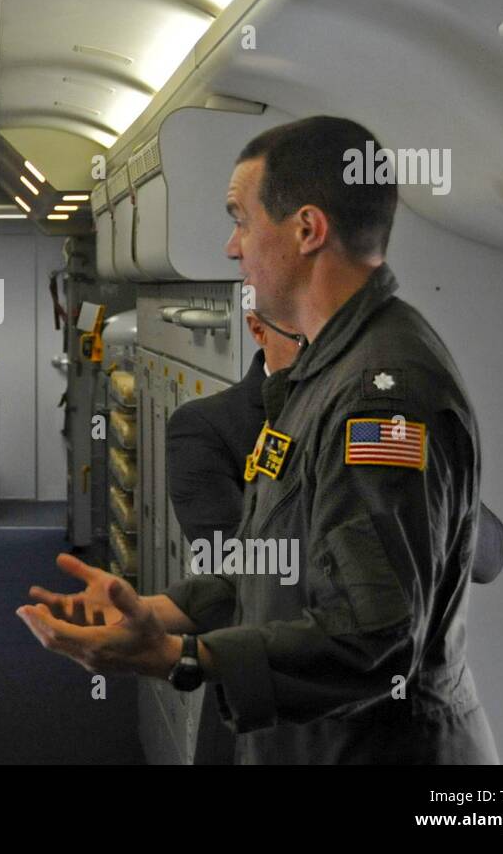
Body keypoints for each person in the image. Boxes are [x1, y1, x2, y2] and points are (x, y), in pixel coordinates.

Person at [19, 116, 498, 764]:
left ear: (307, 230)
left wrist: (178, 658)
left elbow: (373, 636)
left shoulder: (381, 393)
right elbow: (277, 559)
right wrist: (154, 610)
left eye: (241, 219)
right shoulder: (320, 373)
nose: (231, 246)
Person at [165, 309, 302, 764]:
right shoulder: (206, 425)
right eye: (305, 335)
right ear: (258, 328)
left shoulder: (376, 418)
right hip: (263, 695)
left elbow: (484, 557)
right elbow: (238, 567)